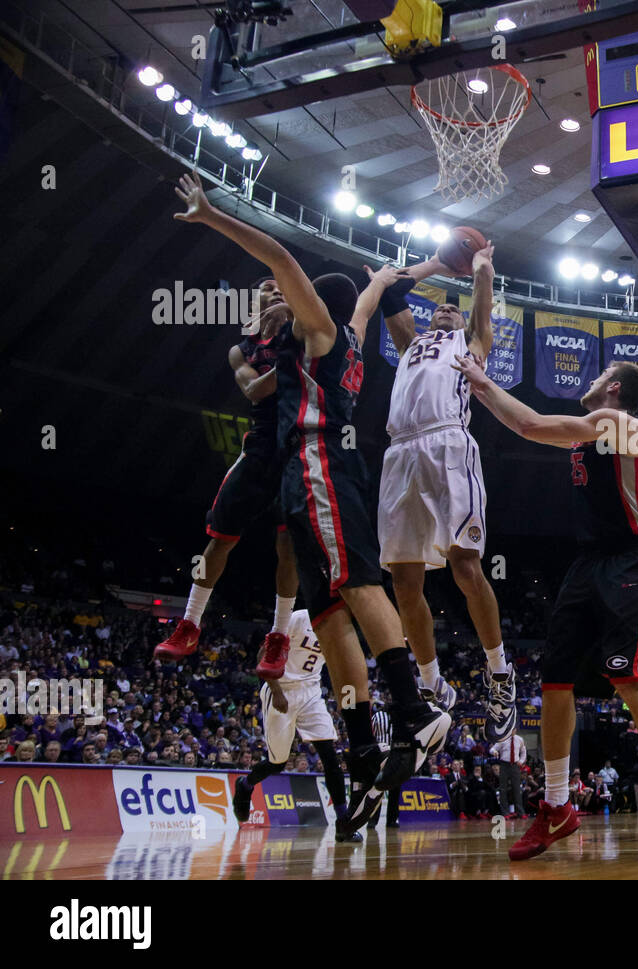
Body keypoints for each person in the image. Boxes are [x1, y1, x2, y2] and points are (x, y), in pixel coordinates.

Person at [170, 173, 450, 836]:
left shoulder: (320, 329)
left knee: (356, 583)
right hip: (307, 470)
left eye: (293, 304)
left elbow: (282, 261)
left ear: (309, 309)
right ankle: (362, 748)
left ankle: (416, 709)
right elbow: (373, 291)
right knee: (326, 616)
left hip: (322, 459)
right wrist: (409, 270)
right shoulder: (343, 330)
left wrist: (213, 217)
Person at [449, 354, 638, 858]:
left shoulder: (618, 422)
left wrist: (483, 384)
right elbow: (537, 427)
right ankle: (557, 805)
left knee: (631, 678)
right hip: (588, 563)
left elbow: (529, 424)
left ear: (613, 387)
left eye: (598, 375)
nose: (589, 382)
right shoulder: (592, 431)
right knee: (554, 682)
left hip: (631, 559)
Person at [374, 246, 516, 741]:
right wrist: (436, 260)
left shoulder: (470, 342)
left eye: (451, 309)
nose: (445, 310)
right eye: (439, 307)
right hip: (400, 453)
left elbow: (482, 306)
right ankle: (433, 685)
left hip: (448, 445)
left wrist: (481, 270)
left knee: (464, 564)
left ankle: (500, 673)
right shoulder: (409, 342)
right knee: (404, 581)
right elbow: (391, 290)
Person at [154, 276, 299, 676]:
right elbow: (256, 392)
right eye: (269, 286)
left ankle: (279, 636)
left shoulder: (305, 331)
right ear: (255, 302)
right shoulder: (242, 350)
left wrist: (295, 329)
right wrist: (290, 357)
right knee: (218, 540)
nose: (278, 288)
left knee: (288, 547)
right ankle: (189, 624)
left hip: (299, 448)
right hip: (259, 449)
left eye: (283, 287)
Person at [232, 609, 359, 842]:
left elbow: (339, 665)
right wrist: (277, 690)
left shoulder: (340, 624)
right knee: (277, 762)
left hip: (311, 691)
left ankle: (344, 822)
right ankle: (245, 784)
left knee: (330, 757)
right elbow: (263, 654)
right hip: (280, 688)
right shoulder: (297, 618)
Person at [491, 730, 527, 818]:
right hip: (504, 765)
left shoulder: (519, 739)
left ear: (515, 730)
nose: (512, 731)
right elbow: (492, 749)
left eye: (514, 729)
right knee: (503, 789)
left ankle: (520, 812)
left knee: (517, 789)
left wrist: (521, 761)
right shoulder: (502, 739)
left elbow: (523, 751)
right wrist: (494, 752)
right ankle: (505, 813)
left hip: (515, 765)